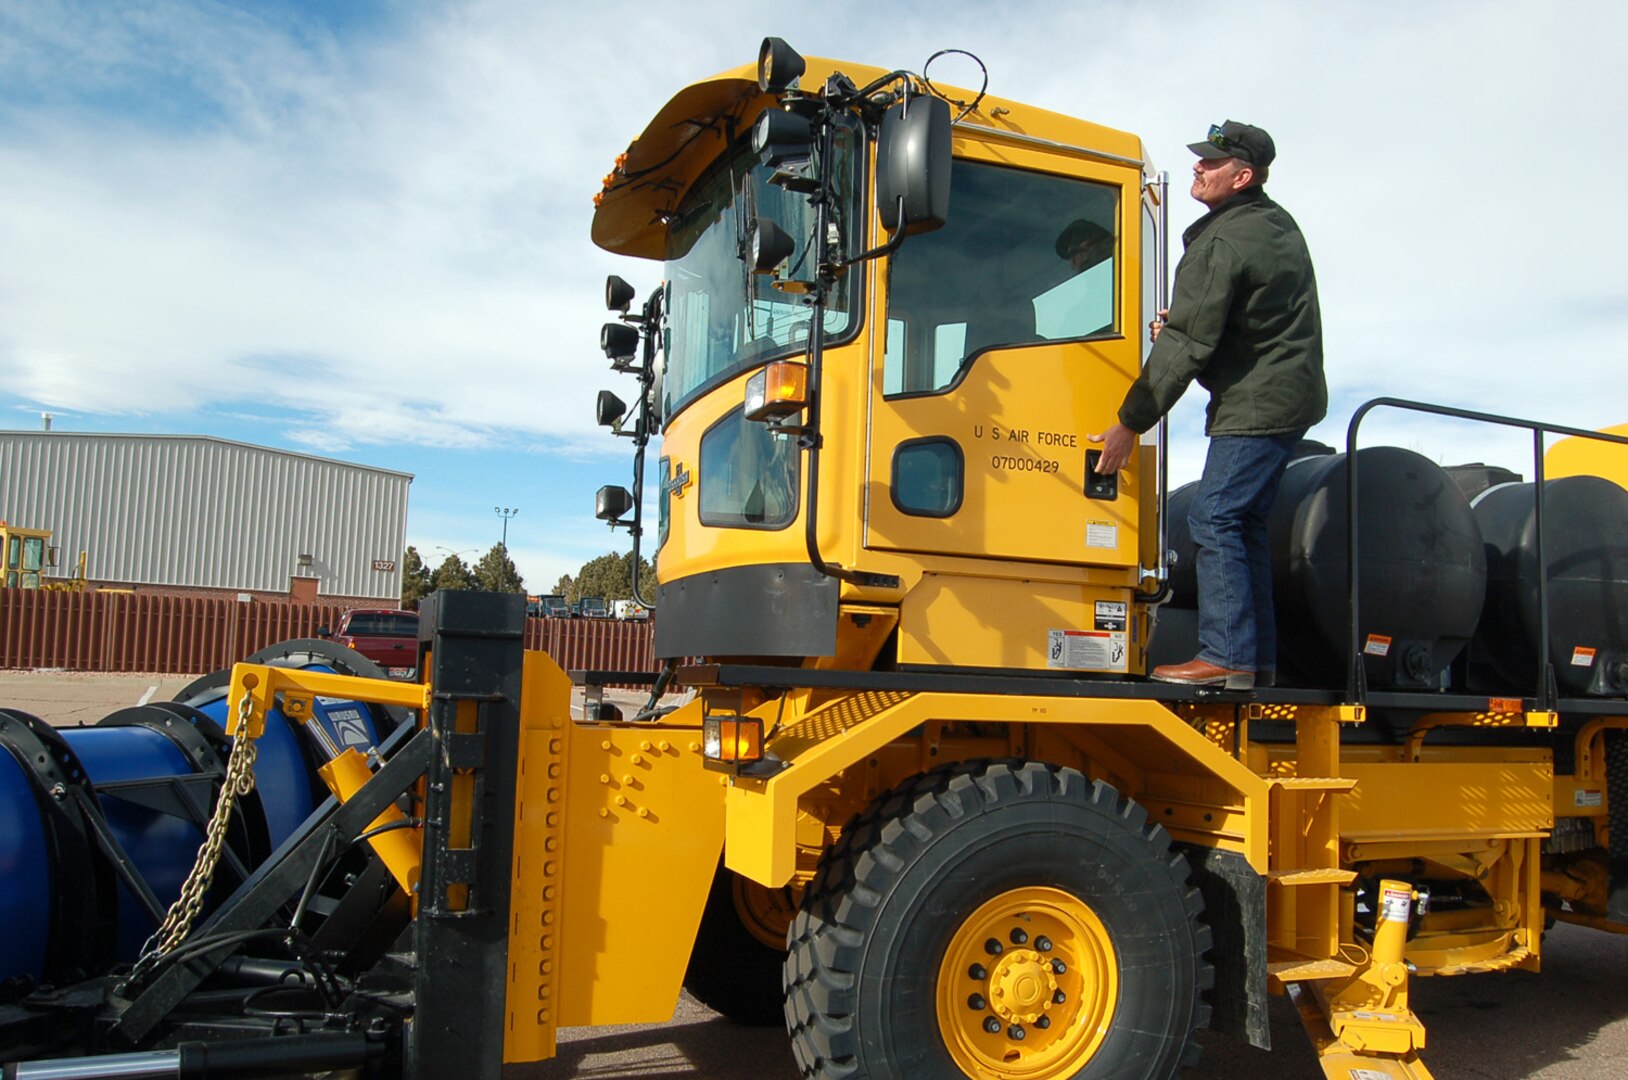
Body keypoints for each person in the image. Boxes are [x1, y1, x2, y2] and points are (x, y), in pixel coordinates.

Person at [1087, 120, 1325, 690]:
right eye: (1199, 159)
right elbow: (1251, 315)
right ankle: (1254, 660)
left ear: (1242, 177)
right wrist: (1193, 324)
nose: (1198, 167)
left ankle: (1225, 657)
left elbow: (1188, 346)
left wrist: (1129, 423)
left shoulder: (1222, 240)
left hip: (1259, 400)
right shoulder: (1271, 223)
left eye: (1212, 163)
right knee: (1244, 525)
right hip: (1288, 393)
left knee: (1215, 516)